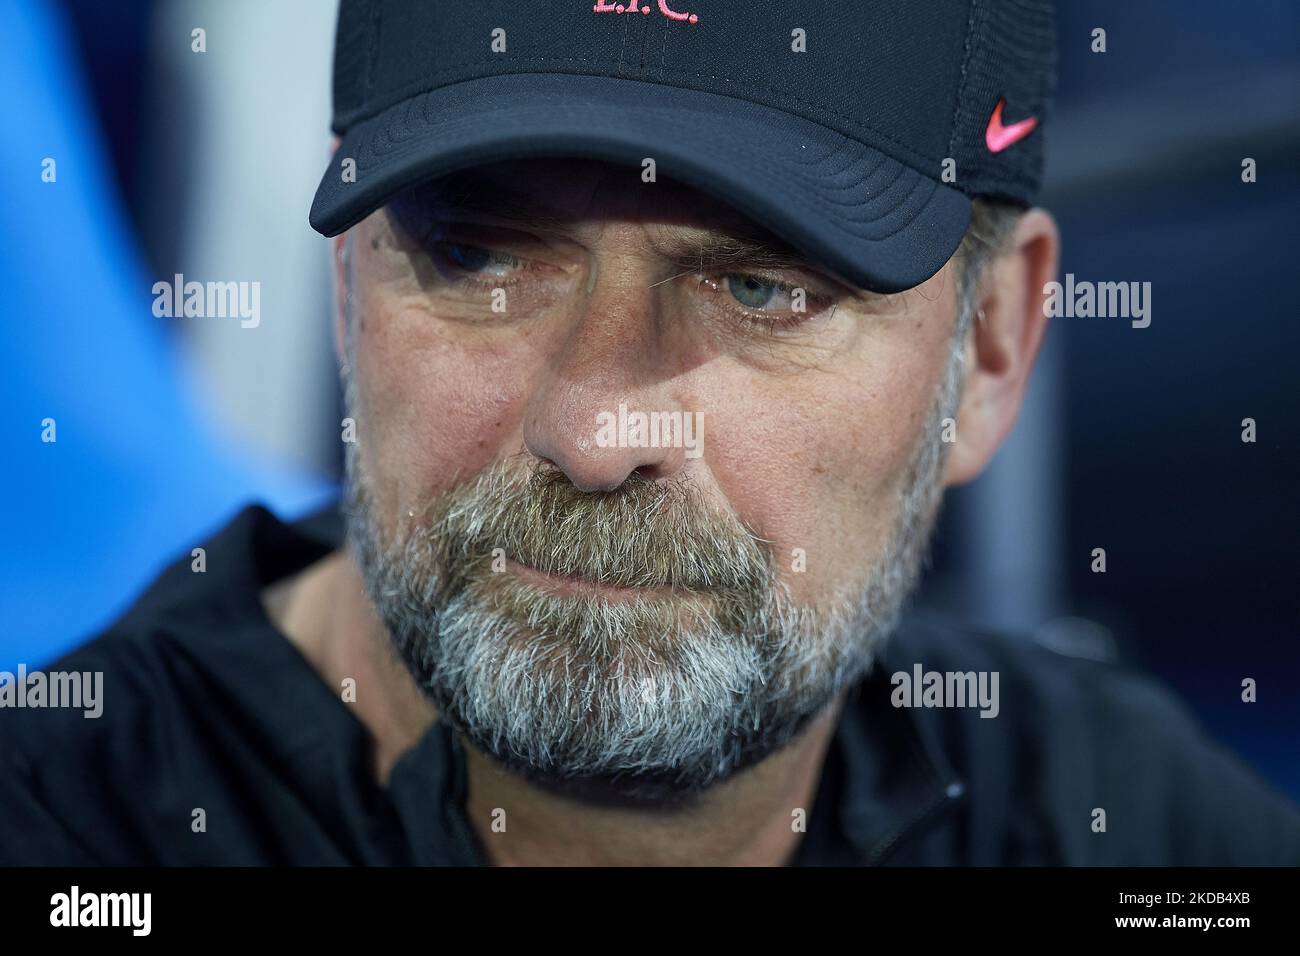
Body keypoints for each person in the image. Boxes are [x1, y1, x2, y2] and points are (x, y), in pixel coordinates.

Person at [3, 0, 1297, 866]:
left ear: (997, 348)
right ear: (348, 292)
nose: (593, 432)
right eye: (479, 259)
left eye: (762, 289)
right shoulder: (68, 829)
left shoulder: (1109, 813)